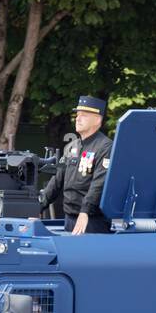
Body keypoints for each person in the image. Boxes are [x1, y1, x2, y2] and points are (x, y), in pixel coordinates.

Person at [40, 95, 114, 235]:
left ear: (98, 119)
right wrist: (40, 206)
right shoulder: (72, 147)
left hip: (91, 220)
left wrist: (85, 211)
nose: (77, 119)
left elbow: (99, 183)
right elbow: (57, 180)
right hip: (70, 218)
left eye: (84, 115)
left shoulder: (105, 147)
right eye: (77, 115)